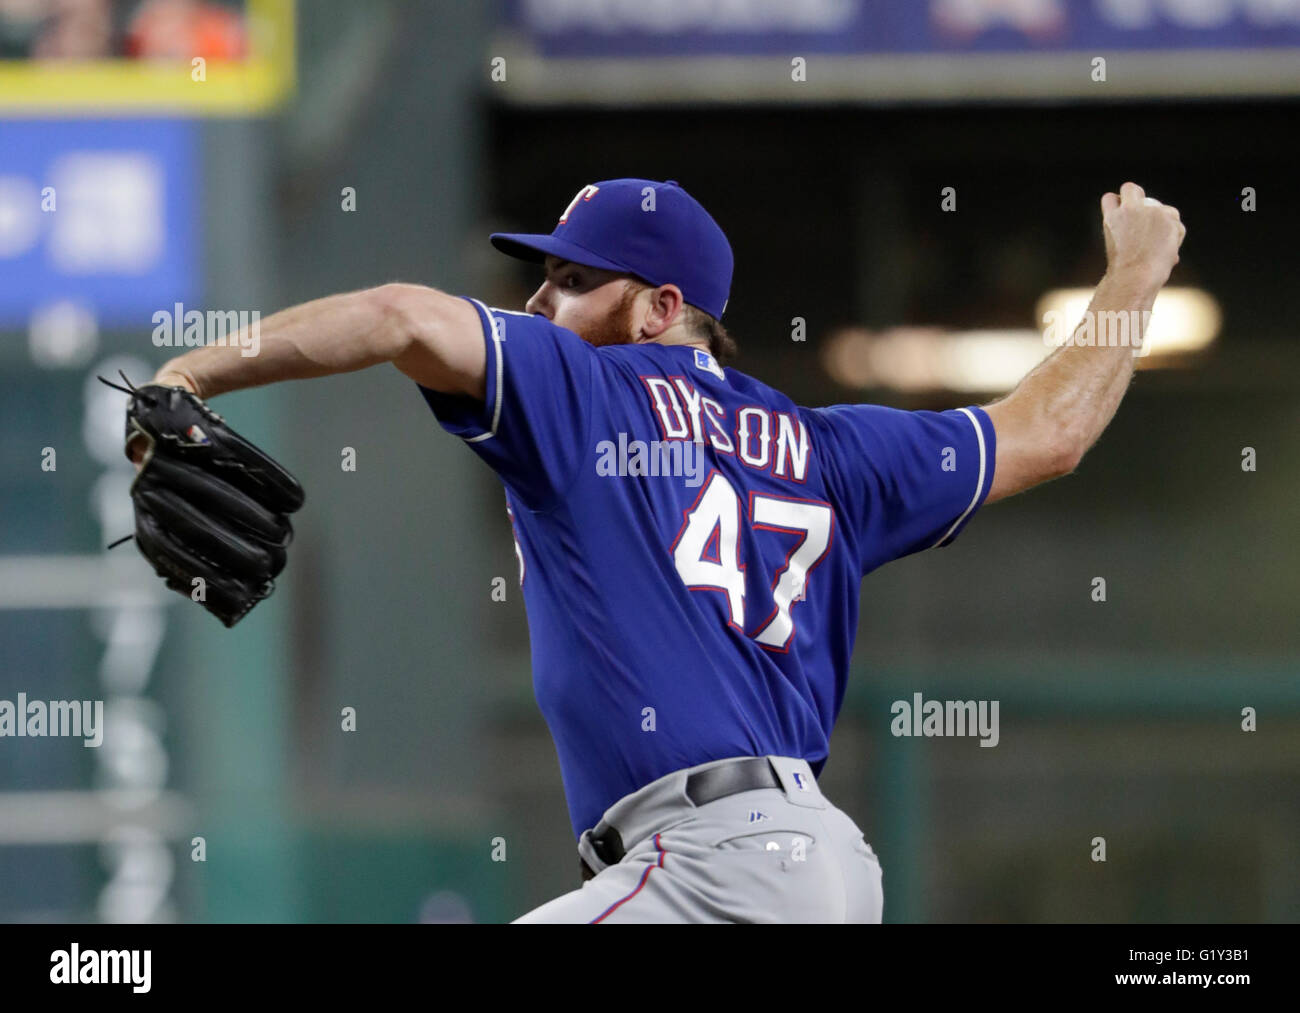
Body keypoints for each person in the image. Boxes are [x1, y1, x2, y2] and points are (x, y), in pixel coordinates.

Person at [141, 177, 1185, 922]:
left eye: (567, 279)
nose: (539, 304)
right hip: (813, 869)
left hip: (709, 872)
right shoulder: (836, 453)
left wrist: (191, 373)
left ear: (658, 308)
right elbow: (1050, 431)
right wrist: (1135, 271)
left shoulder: (587, 389)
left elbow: (395, 313)